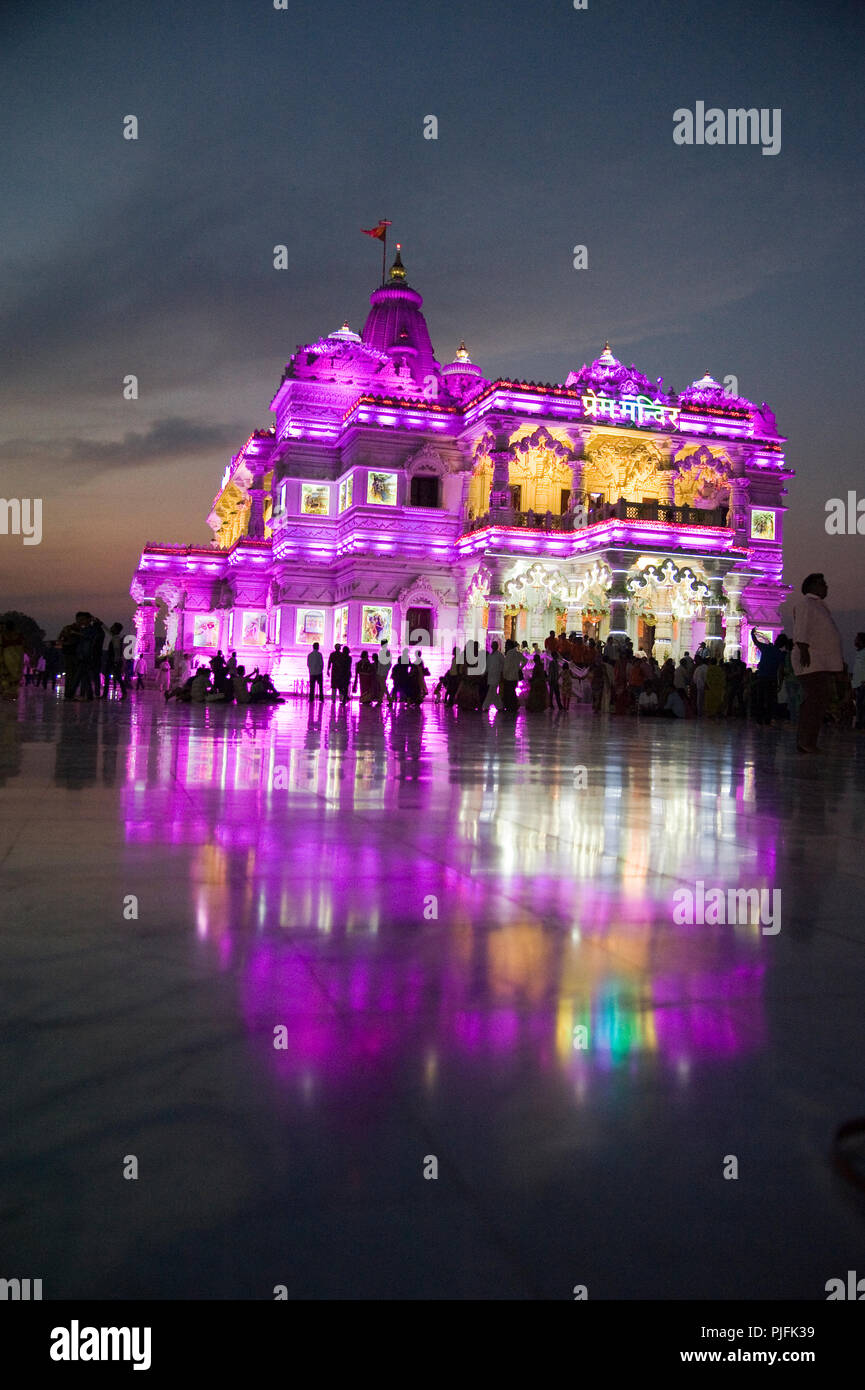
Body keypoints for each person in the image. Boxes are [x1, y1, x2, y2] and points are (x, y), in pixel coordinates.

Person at [791, 573, 843, 753]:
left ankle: (808, 740)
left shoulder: (818, 605)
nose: (826, 587)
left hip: (820, 661)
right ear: (812, 587)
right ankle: (806, 742)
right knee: (815, 701)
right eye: (822, 584)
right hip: (811, 660)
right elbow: (802, 628)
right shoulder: (806, 604)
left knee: (818, 701)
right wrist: (804, 650)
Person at [751, 629, 786, 726]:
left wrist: (752, 633)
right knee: (770, 700)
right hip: (772, 678)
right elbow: (781, 670)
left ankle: (759, 719)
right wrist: (780, 682)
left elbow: (756, 641)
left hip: (762, 676)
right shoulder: (780, 654)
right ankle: (767, 719)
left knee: (761, 698)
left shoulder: (766, 648)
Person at [102, 623, 128, 699]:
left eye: (113, 627)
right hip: (113, 660)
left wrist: (116, 661)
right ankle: (105, 694)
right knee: (112, 677)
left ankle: (124, 693)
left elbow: (116, 650)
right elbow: (108, 631)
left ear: (116, 629)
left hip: (114, 660)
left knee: (117, 677)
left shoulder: (116, 638)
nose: (111, 628)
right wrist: (101, 624)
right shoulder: (115, 637)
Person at [0, 621, 25, 700]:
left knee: (6, 675)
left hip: (7, 655)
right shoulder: (19, 635)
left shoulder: (3, 636)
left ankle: (7, 693)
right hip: (18, 656)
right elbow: (24, 646)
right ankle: (13, 694)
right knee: (15, 676)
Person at [500, 639, 525, 712]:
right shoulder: (517, 653)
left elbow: (506, 666)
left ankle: (509, 706)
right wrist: (519, 668)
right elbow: (525, 660)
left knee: (508, 692)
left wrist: (504, 675)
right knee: (513, 692)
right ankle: (513, 706)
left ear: (509, 646)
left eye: (506, 646)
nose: (505, 647)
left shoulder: (509, 653)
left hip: (508, 676)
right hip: (515, 676)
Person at [482, 640, 504, 710]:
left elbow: (503, 665)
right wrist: (485, 672)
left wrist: (501, 673)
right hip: (490, 676)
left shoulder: (500, 655)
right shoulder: (490, 656)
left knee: (491, 691)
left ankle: (486, 706)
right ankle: (499, 706)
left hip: (496, 675)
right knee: (493, 692)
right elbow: (487, 666)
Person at [851, 633, 865, 731]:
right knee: (859, 705)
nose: (855, 641)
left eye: (856, 639)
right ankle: (860, 724)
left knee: (862, 705)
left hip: (863, 684)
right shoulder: (859, 653)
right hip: (858, 685)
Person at [374, 639, 392, 706]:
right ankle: (380, 700)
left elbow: (380, 664)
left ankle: (389, 699)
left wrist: (378, 672)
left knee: (383, 686)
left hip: (381, 672)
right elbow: (389, 664)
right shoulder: (388, 652)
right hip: (384, 672)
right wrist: (387, 671)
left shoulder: (382, 652)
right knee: (383, 686)